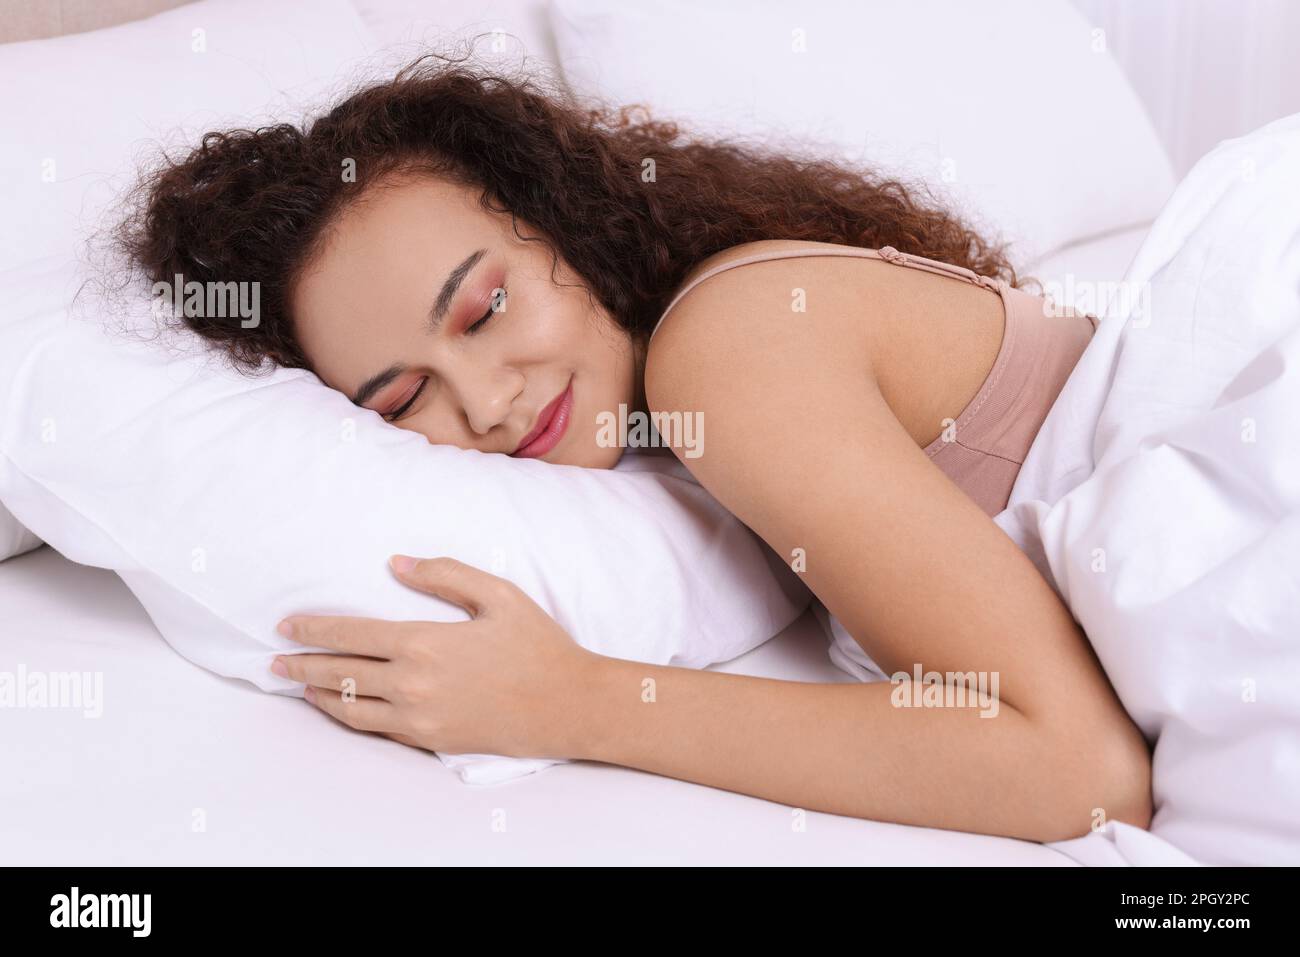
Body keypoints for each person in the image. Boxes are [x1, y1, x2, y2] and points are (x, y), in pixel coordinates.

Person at [117, 54, 1151, 842]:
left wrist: (577, 703)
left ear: (568, 223)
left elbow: (1083, 772)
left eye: (483, 311)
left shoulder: (730, 346)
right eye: (401, 399)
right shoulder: (695, 393)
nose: (484, 405)